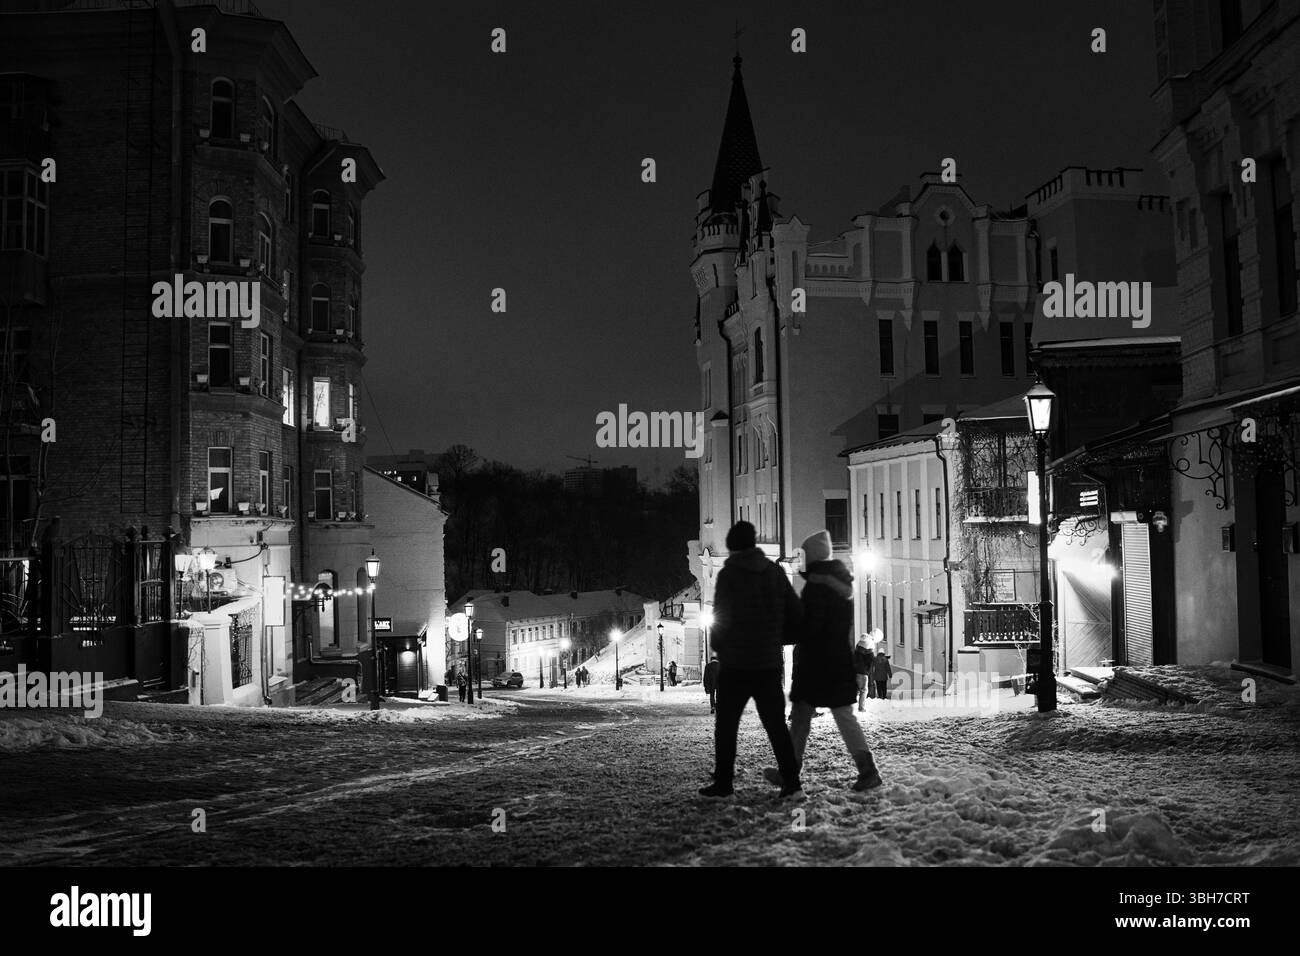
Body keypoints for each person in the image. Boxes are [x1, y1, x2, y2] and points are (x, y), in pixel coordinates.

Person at [764, 531, 883, 792]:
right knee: (836, 717)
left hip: (817, 662)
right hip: (835, 661)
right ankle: (865, 769)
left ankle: (792, 774)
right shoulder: (834, 584)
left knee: (802, 719)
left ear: (813, 558)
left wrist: (779, 633)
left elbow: (808, 626)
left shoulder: (819, 587)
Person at [699, 520, 804, 800]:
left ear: (733, 546)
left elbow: (721, 616)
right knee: (776, 726)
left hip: (735, 663)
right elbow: (795, 613)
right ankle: (792, 783)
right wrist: (776, 638)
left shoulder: (730, 574)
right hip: (768, 663)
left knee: (727, 726)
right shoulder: (774, 571)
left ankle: (724, 783)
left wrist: (719, 647)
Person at [852, 635, 875, 712]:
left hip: (855, 671)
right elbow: (871, 661)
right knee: (863, 690)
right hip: (863, 672)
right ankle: (861, 708)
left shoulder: (858, 648)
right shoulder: (869, 651)